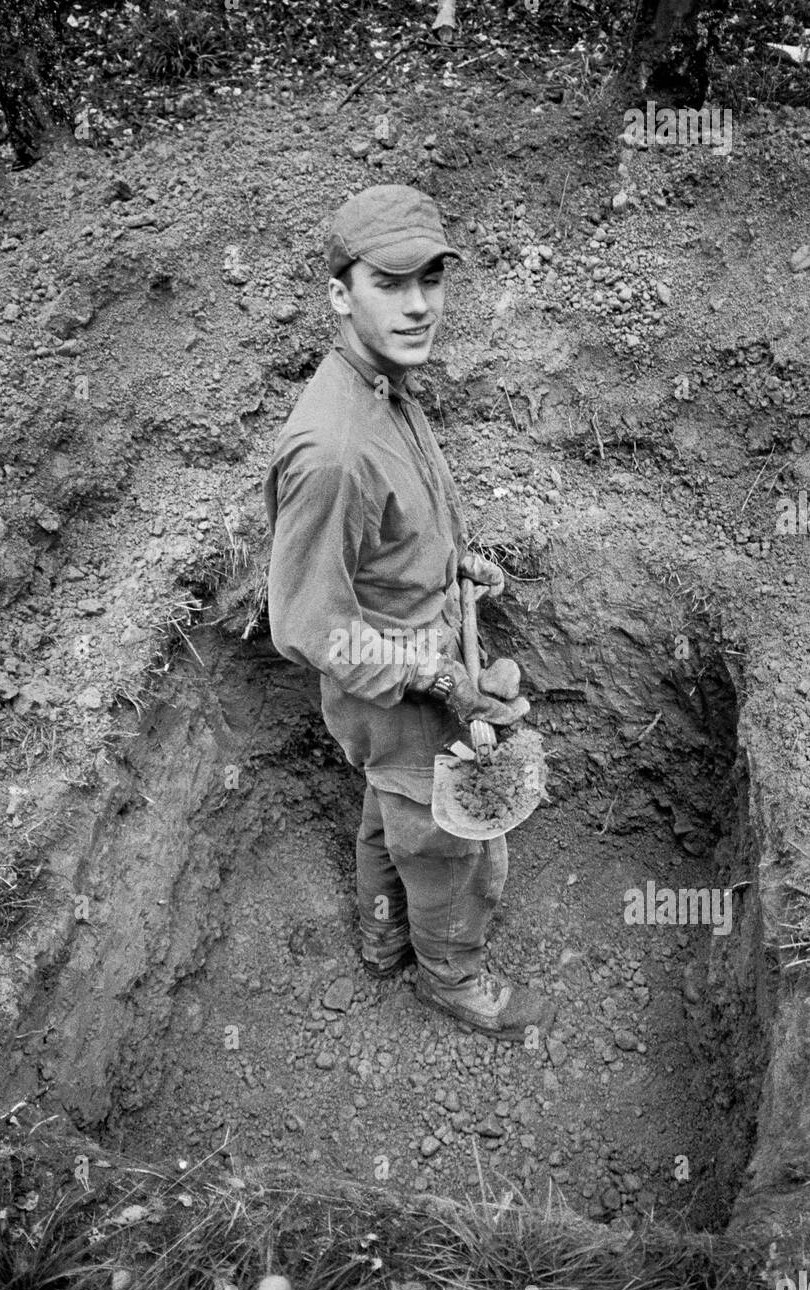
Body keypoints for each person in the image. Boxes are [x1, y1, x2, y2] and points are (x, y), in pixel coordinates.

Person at [264, 184, 548, 1040]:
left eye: (431, 278)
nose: (419, 304)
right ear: (339, 293)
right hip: (397, 691)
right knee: (443, 844)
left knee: (387, 809)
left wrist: (455, 561)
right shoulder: (336, 450)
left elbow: (391, 530)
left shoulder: (381, 386)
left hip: (402, 682)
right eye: (390, 283)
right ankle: (450, 976)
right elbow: (305, 624)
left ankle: (382, 942)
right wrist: (438, 679)